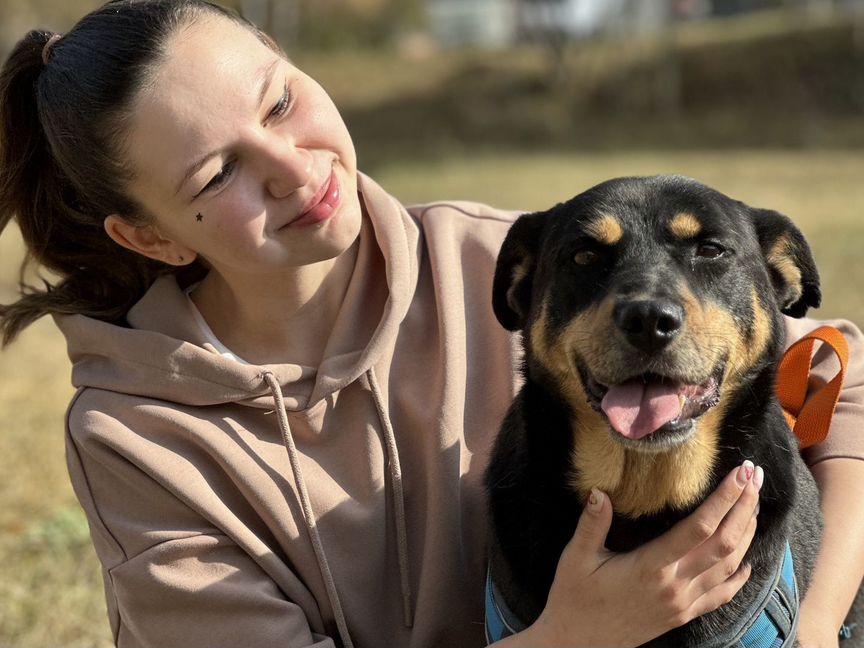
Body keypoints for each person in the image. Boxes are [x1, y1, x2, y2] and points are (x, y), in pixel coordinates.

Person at [0, 1, 862, 646]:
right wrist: (569, 639)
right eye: (219, 172)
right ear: (147, 234)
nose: (294, 170)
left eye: (278, 103)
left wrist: (816, 623)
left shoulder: (509, 264)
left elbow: (844, 375)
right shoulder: (141, 438)